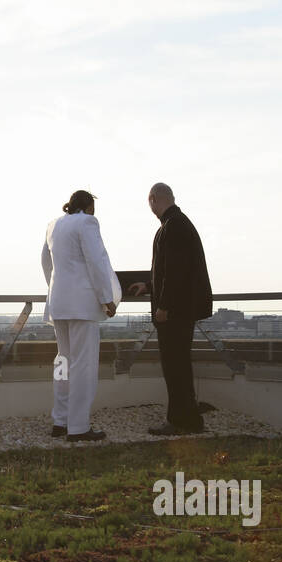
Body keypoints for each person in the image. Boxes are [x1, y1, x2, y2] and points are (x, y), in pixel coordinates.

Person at [128, 183, 213, 435]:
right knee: (180, 366)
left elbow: (174, 273)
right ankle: (190, 419)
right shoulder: (178, 223)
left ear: (152, 199)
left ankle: (179, 421)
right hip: (183, 309)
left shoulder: (172, 226)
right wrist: (149, 285)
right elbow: (174, 270)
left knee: (174, 367)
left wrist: (163, 305)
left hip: (175, 311)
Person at [41, 190, 121, 442]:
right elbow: (96, 260)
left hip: (59, 303)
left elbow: (45, 262)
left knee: (63, 363)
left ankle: (60, 420)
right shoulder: (87, 222)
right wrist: (106, 297)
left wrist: (56, 289)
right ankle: (78, 427)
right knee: (83, 366)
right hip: (82, 305)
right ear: (88, 207)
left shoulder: (53, 225)